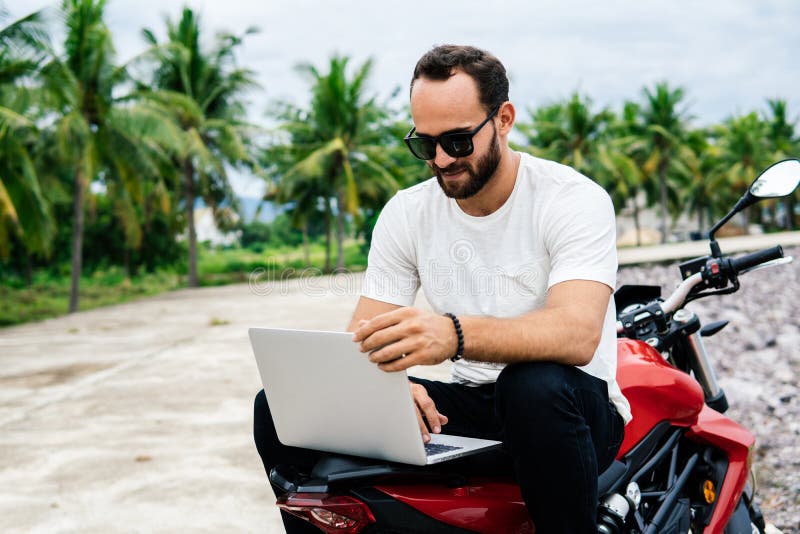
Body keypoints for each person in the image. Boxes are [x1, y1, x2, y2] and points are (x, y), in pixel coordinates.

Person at [254, 44, 630, 533]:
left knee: (530, 385)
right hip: (473, 407)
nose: (440, 160)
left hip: (573, 411)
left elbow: (576, 334)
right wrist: (390, 391)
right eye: (423, 144)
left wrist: (451, 335)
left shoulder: (572, 200)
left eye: (456, 141)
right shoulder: (408, 213)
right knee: (279, 408)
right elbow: (363, 340)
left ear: (503, 119)